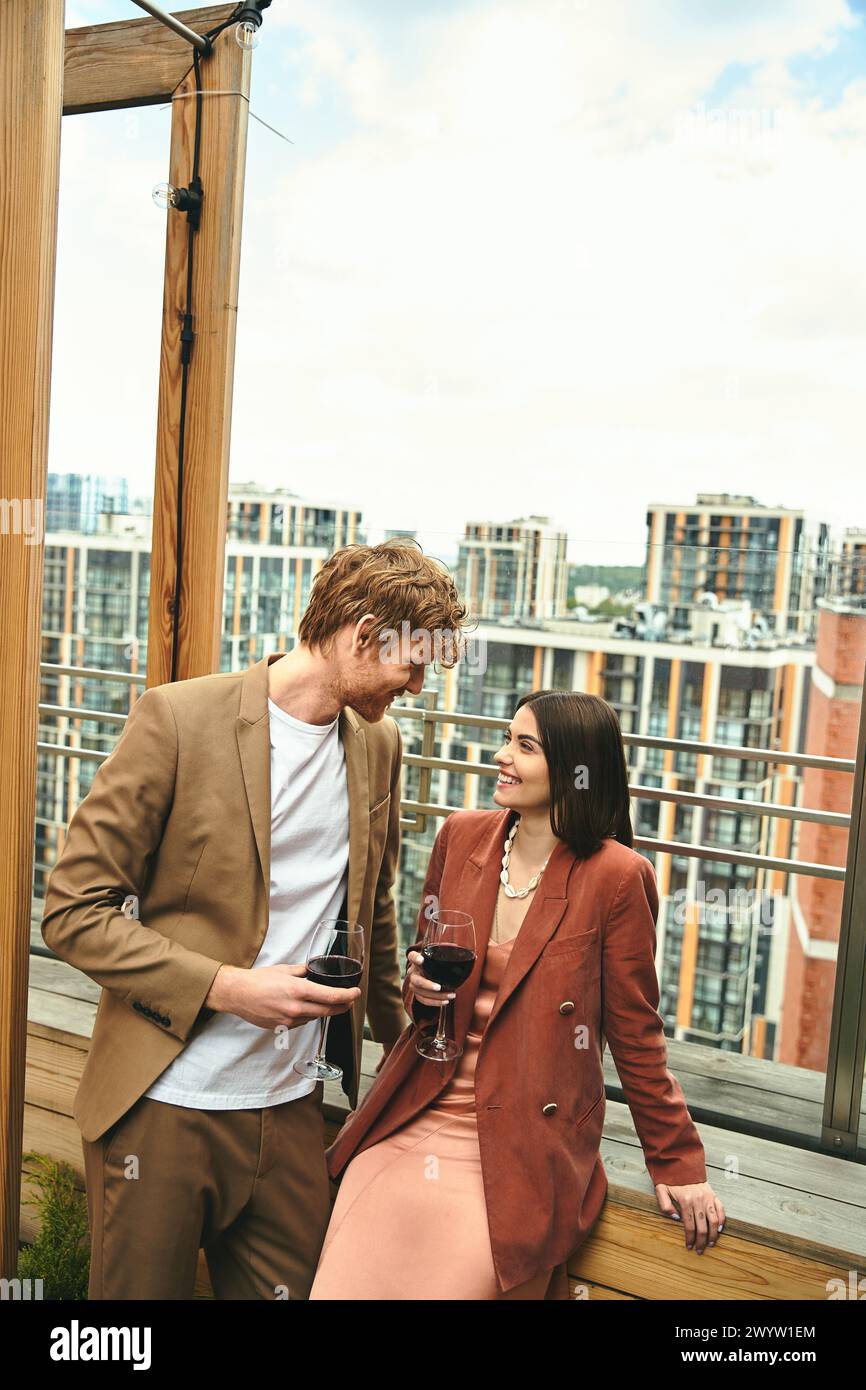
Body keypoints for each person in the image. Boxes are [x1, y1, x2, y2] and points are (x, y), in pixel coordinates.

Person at [40, 538, 468, 1300]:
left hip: (296, 1109)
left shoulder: (379, 741)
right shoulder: (177, 718)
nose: (419, 684)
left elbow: (372, 909)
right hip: (163, 1104)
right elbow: (74, 910)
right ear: (362, 634)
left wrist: (408, 1043)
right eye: (415, 662)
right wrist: (229, 989)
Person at [311, 689, 725, 1300]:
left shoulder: (616, 877)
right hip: (421, 1110)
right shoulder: (461, 837)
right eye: (508, 739)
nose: (502, 756)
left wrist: (678, 1162)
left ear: (575, 768)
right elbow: (424, 984)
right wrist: (421, 991)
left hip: (522, 1139)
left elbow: (637, 1033)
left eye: (524, 747)